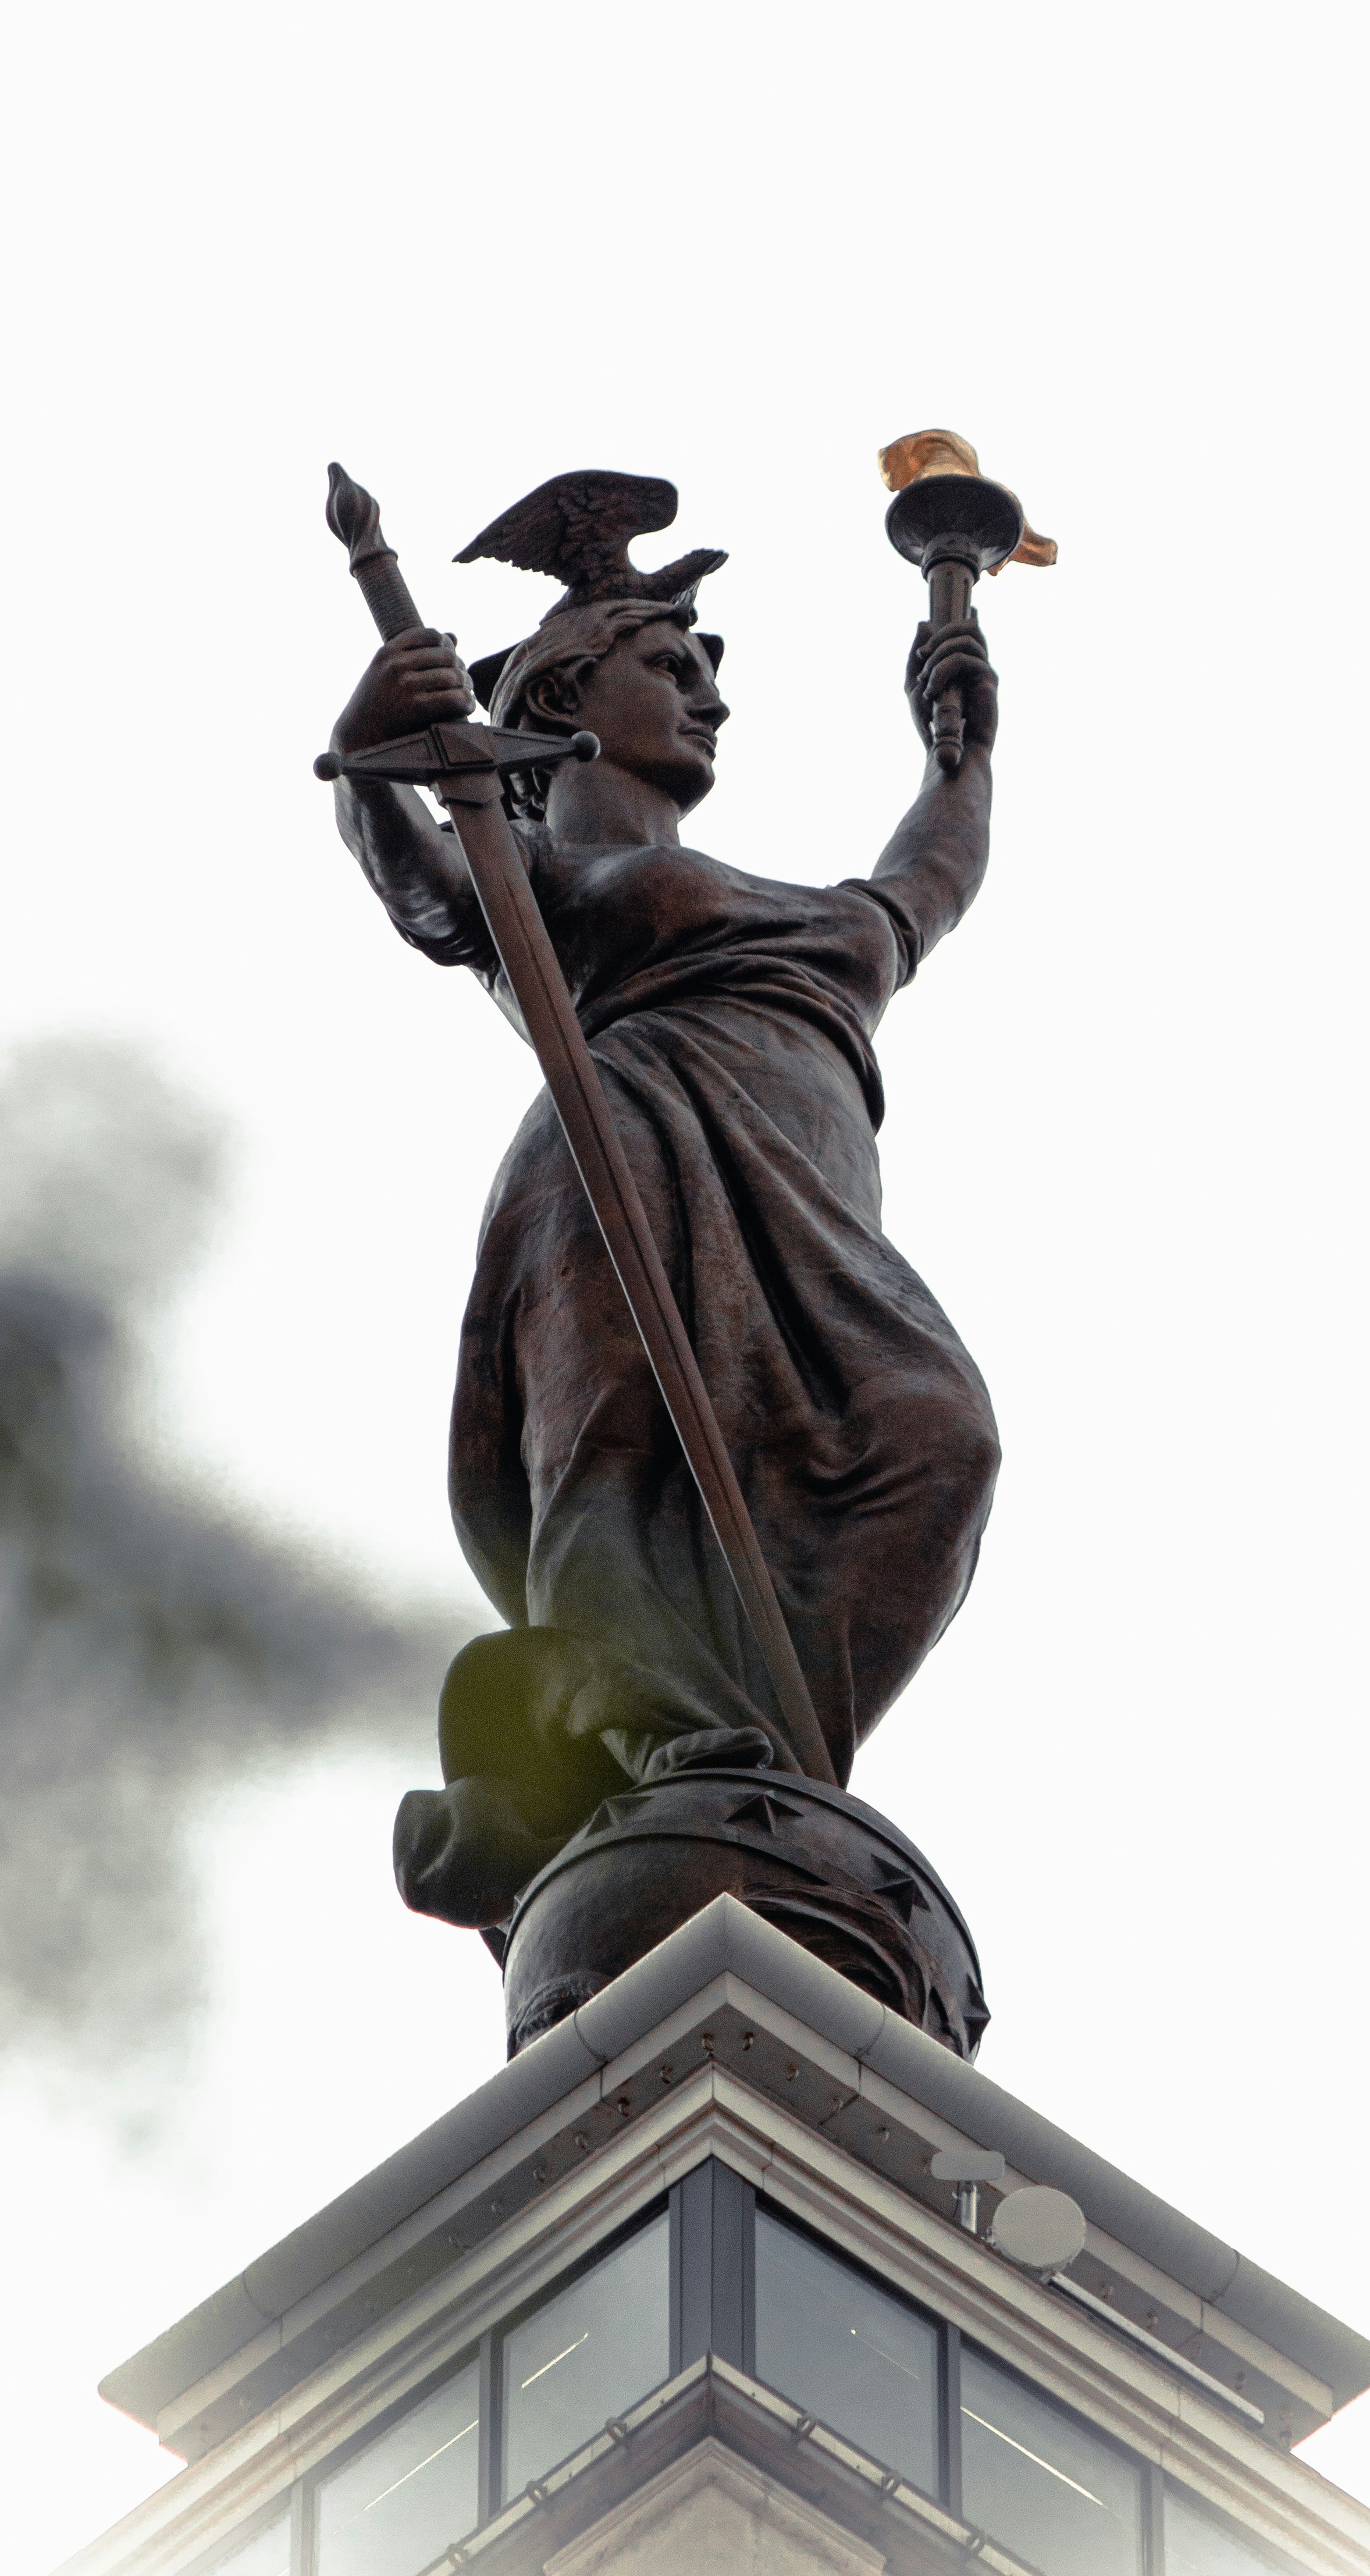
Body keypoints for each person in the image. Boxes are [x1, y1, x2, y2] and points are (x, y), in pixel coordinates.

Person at [329, 577, 1002, 1930]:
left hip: (807, 1203)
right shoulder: (534, 874)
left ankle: (661, 1740)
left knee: (935, 1440)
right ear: (563, 697)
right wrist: (367, 755)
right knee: (618, 1464)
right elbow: (429, 889)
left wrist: (960, 752)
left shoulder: (831, 918)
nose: (711, 698)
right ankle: (672, 1751)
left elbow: (929, 879)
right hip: (629, 1148)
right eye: (668, 665)